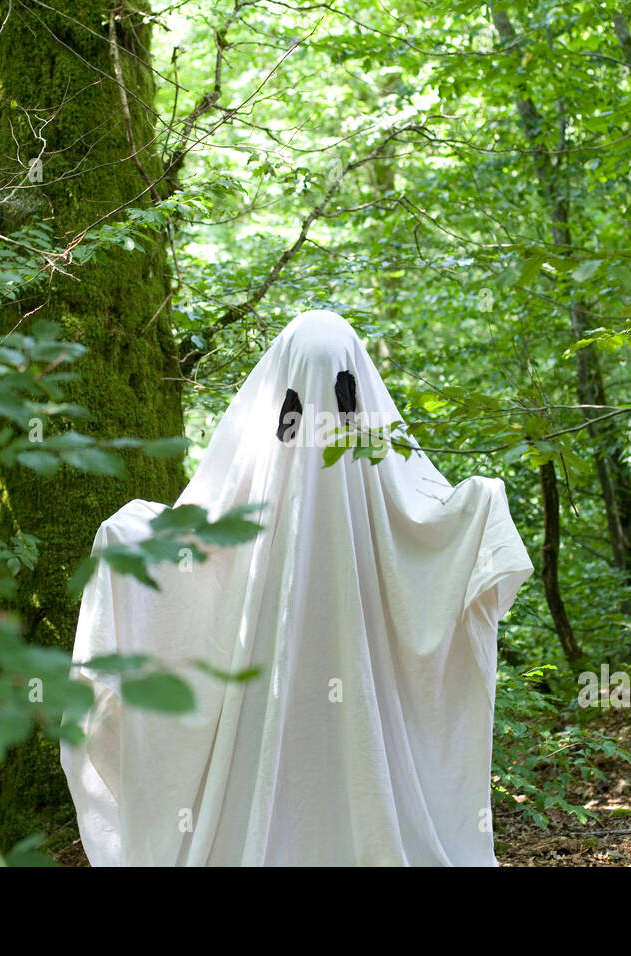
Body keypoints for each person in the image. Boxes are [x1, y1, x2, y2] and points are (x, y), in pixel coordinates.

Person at [61, 309, 532, 865]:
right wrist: (132, 541)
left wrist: (477, 510)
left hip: (361, 674)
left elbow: (423, 520)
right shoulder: (259, 474)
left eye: (339, 392)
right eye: (303, 395)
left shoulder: (377, 473)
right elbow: (205, 531)